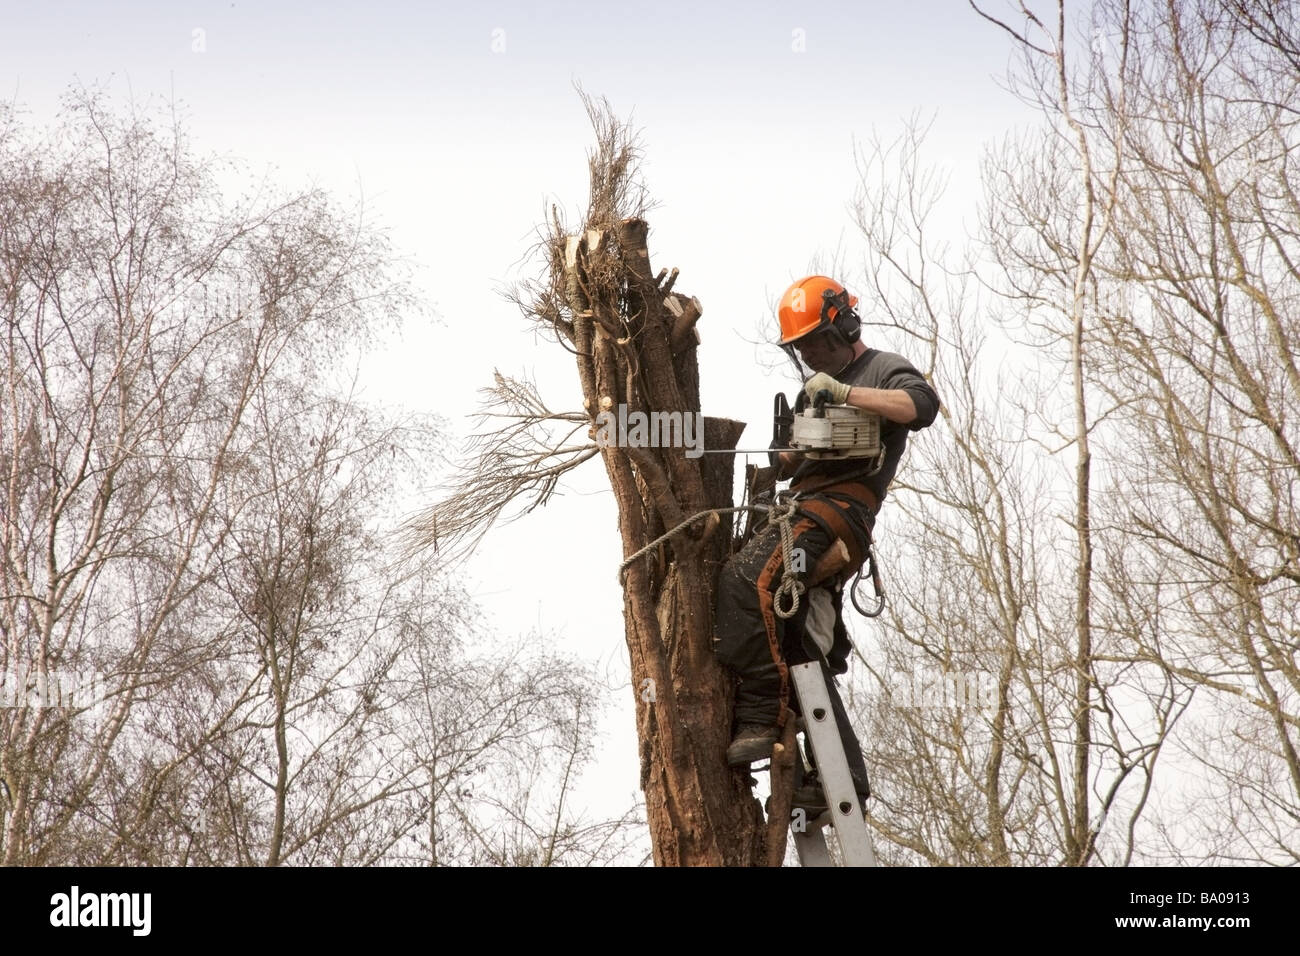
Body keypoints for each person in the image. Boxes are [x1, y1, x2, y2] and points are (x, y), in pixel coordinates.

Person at [713, 275, 940, 810]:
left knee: (747, 580)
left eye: (817, 339)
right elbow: (790, 459)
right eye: (803, 346)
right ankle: (839, 774)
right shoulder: (809, 389)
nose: (810, 352)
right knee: (794, 642)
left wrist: (844, 395)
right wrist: (785, 451)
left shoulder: (882, 369)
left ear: (843, 323)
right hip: (803, 506)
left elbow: (921, 407)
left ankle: (760, 716)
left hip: (842, 511)